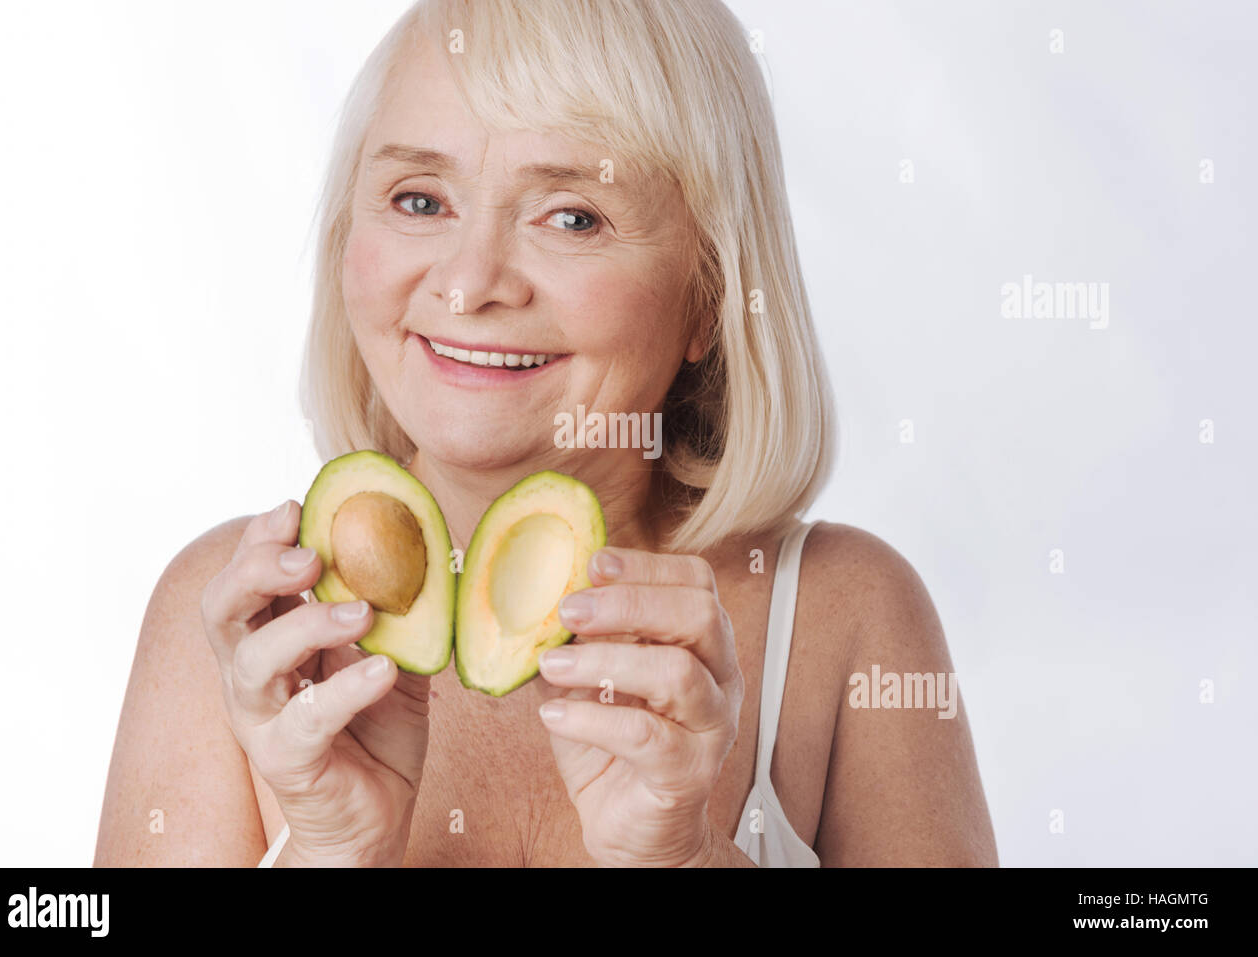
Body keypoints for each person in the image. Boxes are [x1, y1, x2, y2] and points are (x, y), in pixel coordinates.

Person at [94, 0, 997, 867]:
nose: (470, 281)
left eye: (572, 215)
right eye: (419, 200)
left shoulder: (847, 615)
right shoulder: (235, 619)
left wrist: (679, 859)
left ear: (710, 296)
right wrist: (330, 854)